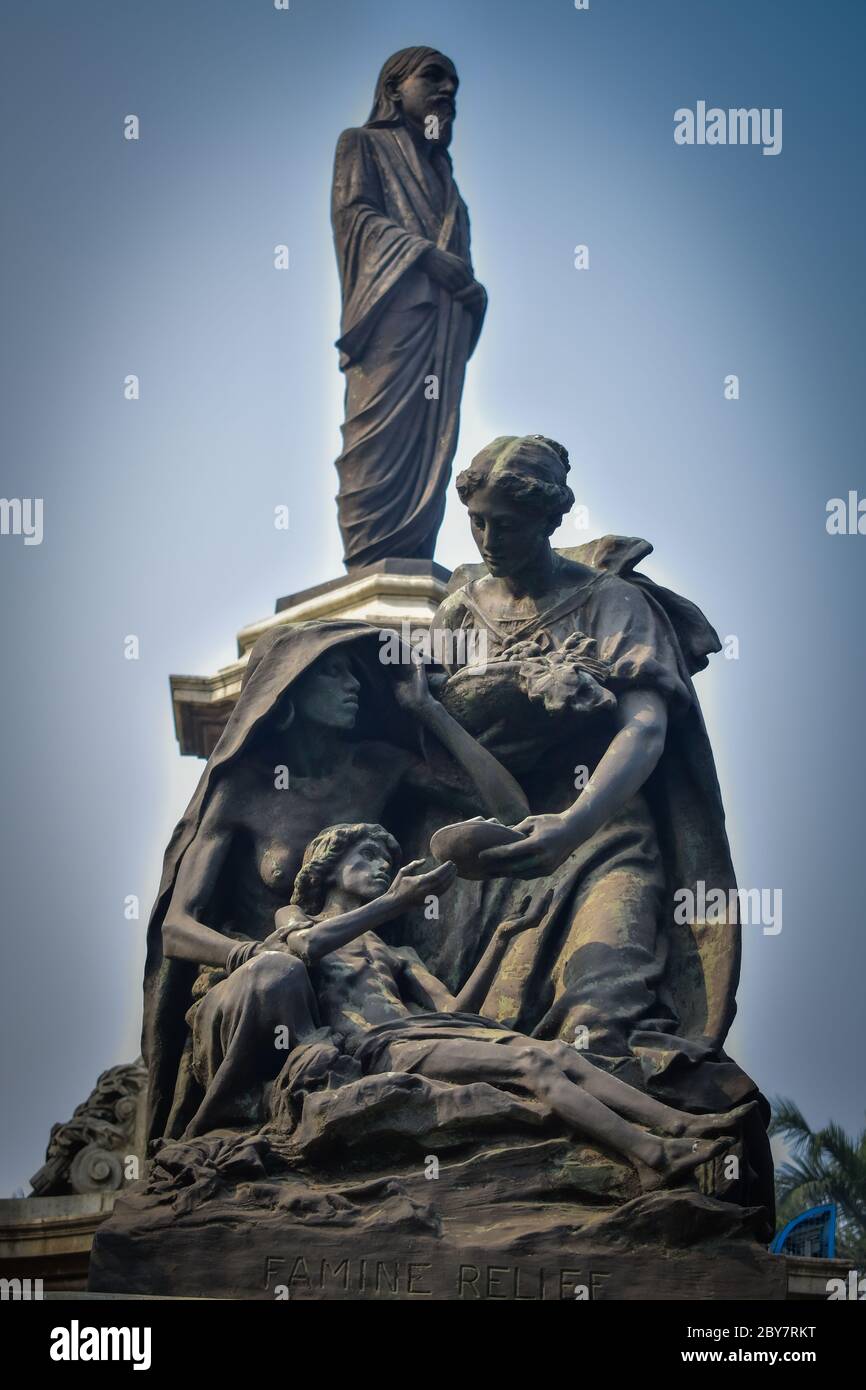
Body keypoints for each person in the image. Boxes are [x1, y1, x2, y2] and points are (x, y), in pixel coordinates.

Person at [142, 619, 526, 1142]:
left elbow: (508, 809)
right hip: (262, 990)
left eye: (356, 675)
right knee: (279, 975)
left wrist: (427, 709)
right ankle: (237, 1121)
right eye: (335, 675)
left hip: (355, 982)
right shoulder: (243, 789)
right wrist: (252, 955)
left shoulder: (375, 765)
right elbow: (177, 929)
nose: (354, 686)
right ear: (291, 689)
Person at [271, 821, 749, 1191]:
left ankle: (679, 1122)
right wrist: (395, 903)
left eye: (385, 860)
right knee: (529, 1062)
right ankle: (653, 1156)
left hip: (427, 1032)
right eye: (368, 856)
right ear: (328, 866)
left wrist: (501, 940)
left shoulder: (400, 954)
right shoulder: (297, 918)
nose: (382, 868)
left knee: (560, 1054)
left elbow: (454, 1007)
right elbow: (306, 948)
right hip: (378, 1048)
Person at [331, 47, 486, 567]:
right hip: (392, 319)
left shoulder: (449, 184)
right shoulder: (363, 146)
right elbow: (354, 217)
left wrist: (470, 291)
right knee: (375, 438)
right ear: (394, 89)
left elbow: (461, 263)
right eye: (433, 77)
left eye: (455, 85)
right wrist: (423, 256)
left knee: (431, 445)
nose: (447, 90)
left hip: (443, 332)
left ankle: (413, 557)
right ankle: (369, 560)